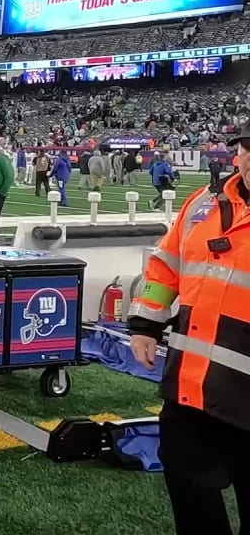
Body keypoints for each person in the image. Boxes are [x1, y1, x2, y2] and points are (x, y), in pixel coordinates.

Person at [128, 121, 249, 535]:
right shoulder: (203, 205)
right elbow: (166, 266)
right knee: (190, 492)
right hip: (190, 387)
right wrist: (145, 324)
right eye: (249, 147)